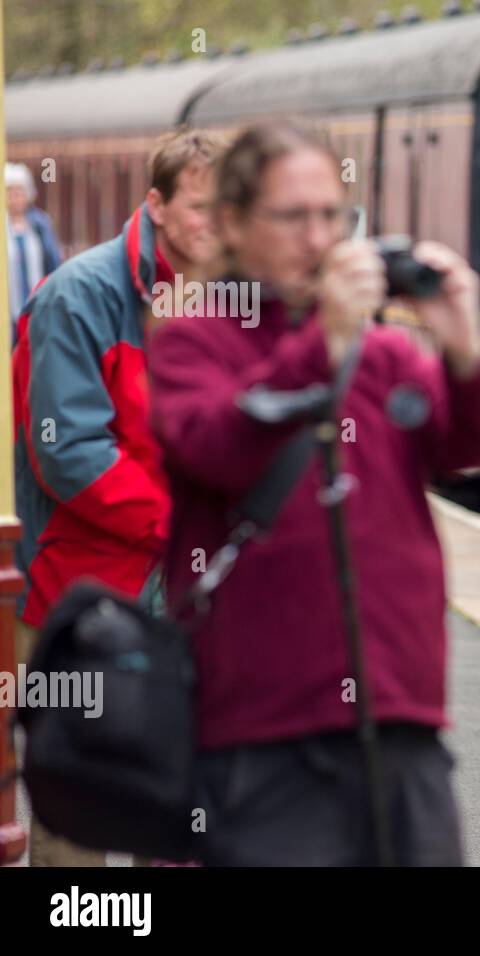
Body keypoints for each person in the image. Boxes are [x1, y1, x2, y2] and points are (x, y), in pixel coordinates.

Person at [147, 119, 480, 866]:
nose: (317, 238)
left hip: (398, 709)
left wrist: (466, 348)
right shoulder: (196, 338)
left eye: (331, 216)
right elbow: (217, 446)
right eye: (292, 217)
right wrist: (326, 340)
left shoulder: (382, 353)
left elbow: (478, 445)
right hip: (263, 727)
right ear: (232, 225)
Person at [11, 128, 224, 866]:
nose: (219, 226)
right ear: (157, 205)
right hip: (84, 599)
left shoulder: (239, 297)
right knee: (81, 813)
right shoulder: (81, 295)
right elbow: (67, 450)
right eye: (202, 207)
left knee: (189, 810)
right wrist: (187, 526)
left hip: (196, 596)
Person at [6, 162, 62, 340]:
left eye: (20, 192)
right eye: (10, 192)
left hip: (36, 304)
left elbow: (52, 262)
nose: (16, 198)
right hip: (8, 310)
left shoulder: (39, 224)